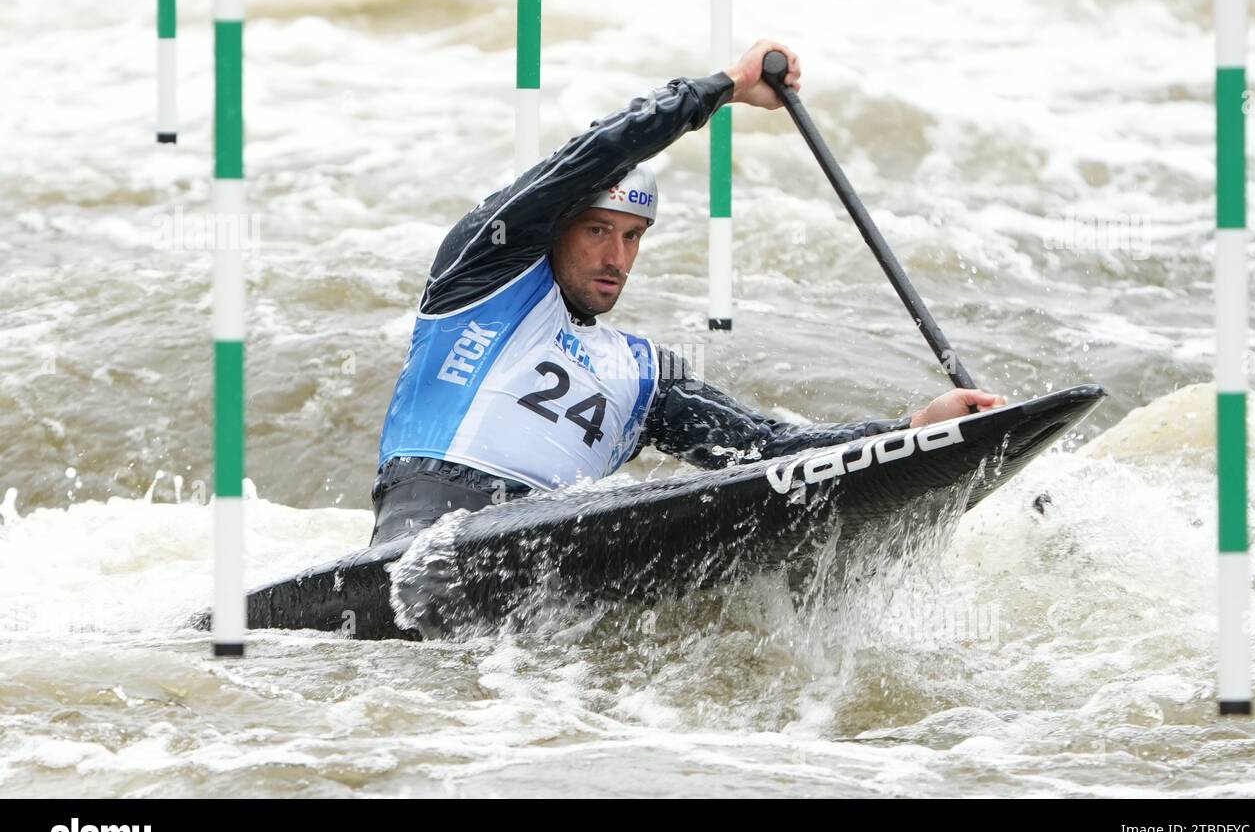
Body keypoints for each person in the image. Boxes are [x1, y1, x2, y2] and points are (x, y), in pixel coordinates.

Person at [371, 39, 1005, 546]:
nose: (616, 258)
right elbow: (595, 151)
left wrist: (915, 430)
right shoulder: (483, 273)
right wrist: (725, 87)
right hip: (429, 528)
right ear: (556, 228)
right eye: (597, 230)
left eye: (632, 237)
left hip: (551, 542)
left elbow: (768, 452)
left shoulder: (644, 376)